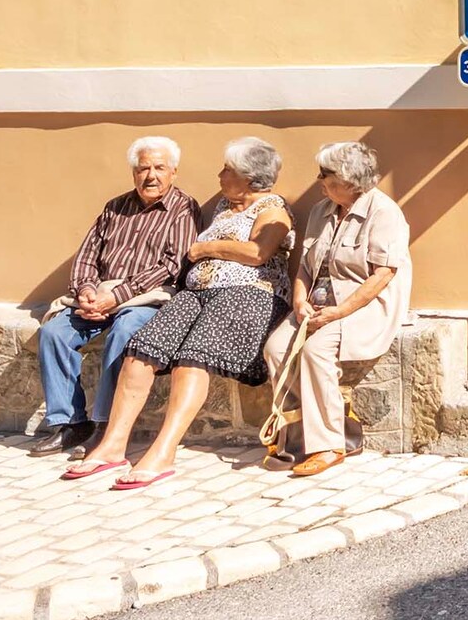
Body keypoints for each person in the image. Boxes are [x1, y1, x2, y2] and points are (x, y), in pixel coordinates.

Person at [64, 137, 294, 490]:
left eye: (227, 170)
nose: (219, 175)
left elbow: (258, 252)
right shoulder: (223, 207)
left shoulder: (273, 209)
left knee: (192, 359)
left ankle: (163, 452)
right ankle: (112, 445)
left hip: (248, 296)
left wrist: (205, 248)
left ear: (249, 177)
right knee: (141, 351)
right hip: (198, 294)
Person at [31, 136, 198, 456]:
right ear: (133, 173)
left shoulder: (183, 208)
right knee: (54, 332)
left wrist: (118, 296)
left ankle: (106, 425)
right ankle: (69, 423)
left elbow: (171, 265)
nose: (151, 175)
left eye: (160, 168)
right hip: (102, 292)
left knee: (124, 331)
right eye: (143, 168)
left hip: (148, 296)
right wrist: (87, 292)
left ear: (174, 172)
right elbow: (87, 257)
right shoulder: (114, 207)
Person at [263, 141, 412, 476]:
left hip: (366, 304)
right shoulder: (321, 210)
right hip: (318, 303)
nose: (320, 181)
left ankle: (329, 444)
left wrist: (339, 312)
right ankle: (296, 438)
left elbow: (383, 275)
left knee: (316, 350)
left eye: (326, 176)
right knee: (275, 349)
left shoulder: (384, 212)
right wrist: (299, 301)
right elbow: (304, 266)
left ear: (351, 181)